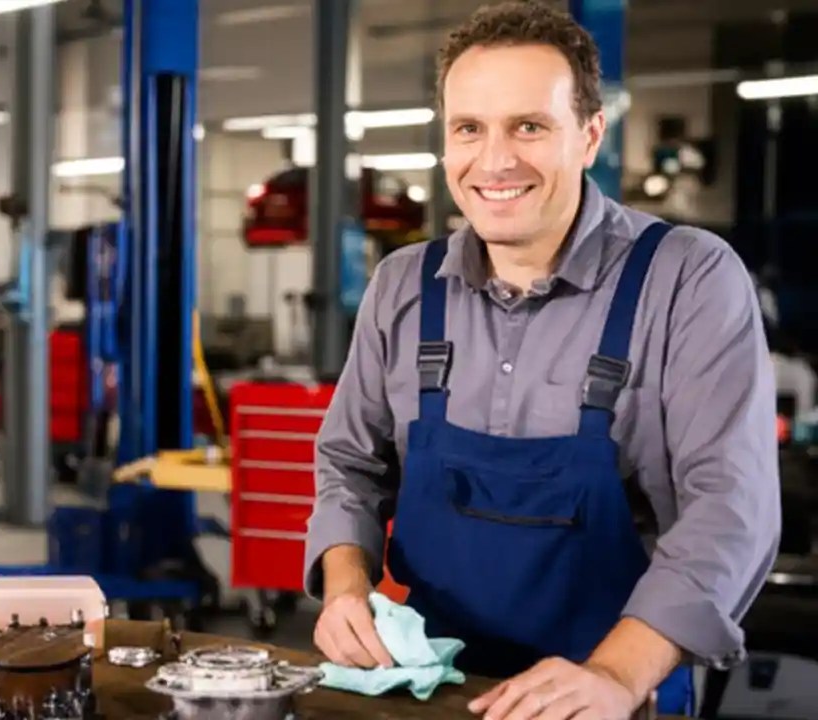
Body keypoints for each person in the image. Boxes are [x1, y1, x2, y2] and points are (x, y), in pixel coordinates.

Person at [304, 2, 781, 719]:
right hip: (437, 684)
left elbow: (731, 509)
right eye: (470, 128)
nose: (495, 161)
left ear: (590, 136)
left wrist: (615, 677)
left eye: (529, 126)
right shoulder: (403, 285)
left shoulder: (687, 279)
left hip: (617, 687)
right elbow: (350, 464)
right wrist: (345, 587)